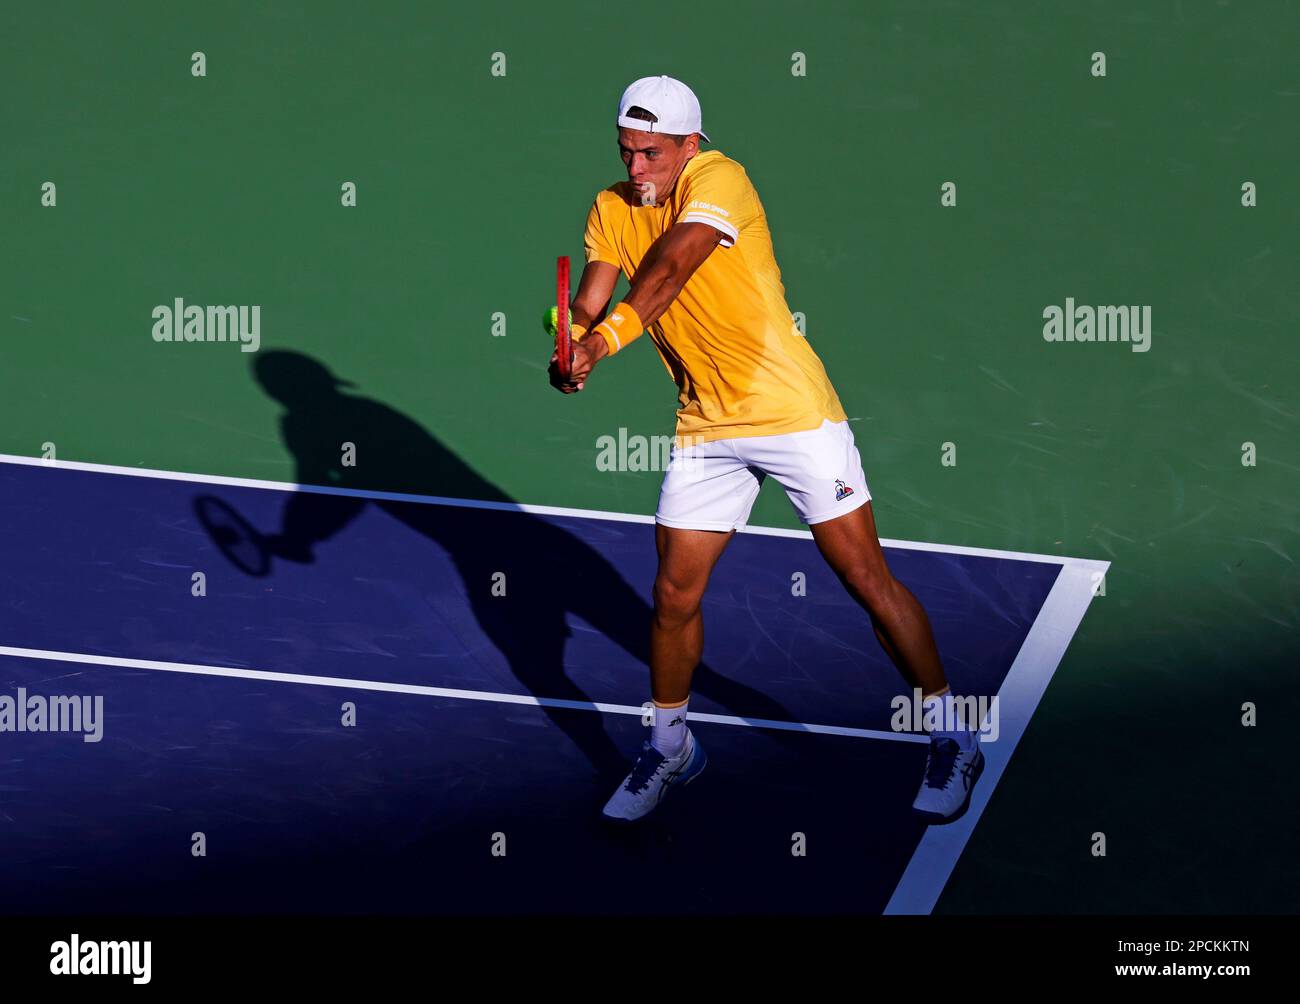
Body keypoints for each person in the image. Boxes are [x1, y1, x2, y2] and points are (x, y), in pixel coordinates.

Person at [550, 75, 983, 825]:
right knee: (673, 596)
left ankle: (954, 735)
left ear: (690, 145)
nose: (639, 169)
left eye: (653, 154)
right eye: (627, 153)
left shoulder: (722, 180)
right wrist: (570, 336)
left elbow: (672, 267)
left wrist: (606, 340)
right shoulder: (612, 206)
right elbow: (594, 292)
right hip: (704, 425)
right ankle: (671, 745)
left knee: (863, 578)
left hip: (790, 411)